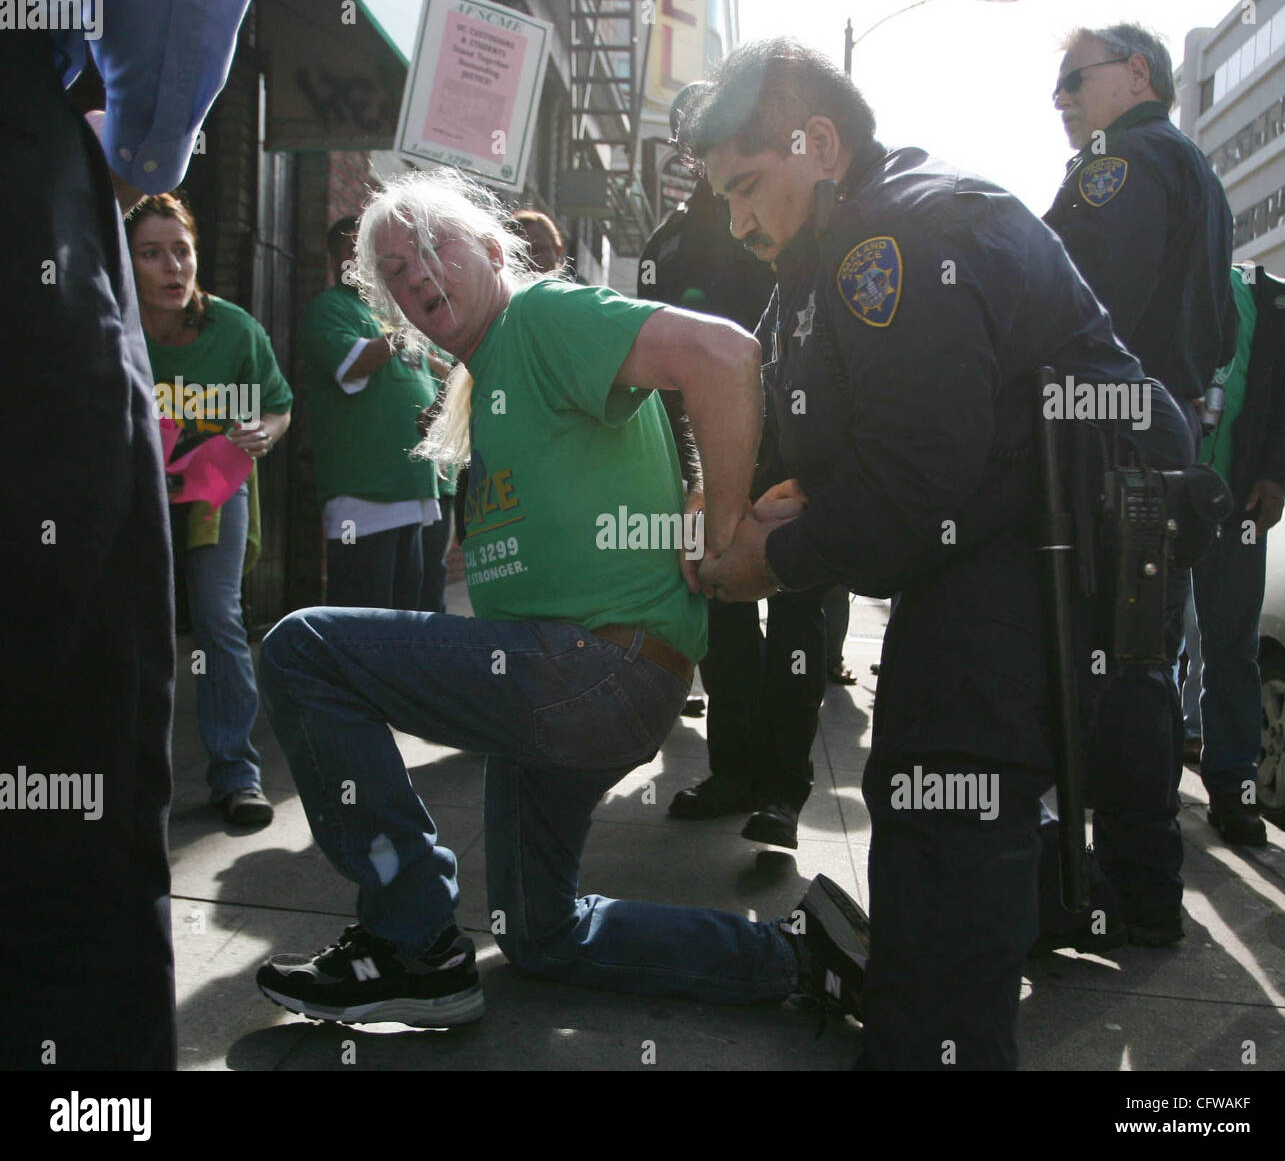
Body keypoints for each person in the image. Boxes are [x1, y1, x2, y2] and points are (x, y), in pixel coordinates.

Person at [253, 168, 870, 1029]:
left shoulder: (541, 315)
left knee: (301, 647)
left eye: (434, 243)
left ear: (493, 246)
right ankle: (799, 957)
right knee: (539, 933)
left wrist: (722, 526)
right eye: (392, 267)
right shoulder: (485, 374)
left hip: (592, 671)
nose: (416, 269)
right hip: (560, 686)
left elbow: (724, 354)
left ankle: (412, 943)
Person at [678, 37, 1190, 1070]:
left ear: (817, 143)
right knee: (930, 777)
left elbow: (917, 473)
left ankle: (940, 1032)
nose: (733, 221)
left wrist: (772, 561)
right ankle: (962, 971)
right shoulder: (828, 247)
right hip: (1003, 526)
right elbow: (806, 424)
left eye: (745, 188)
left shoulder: (892, 233)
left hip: (1058, 528)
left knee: (949, 773)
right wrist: (738, 504)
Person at [0, 0, 250, 1070]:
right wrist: (140, 149)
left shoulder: (228, 327)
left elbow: (261, 408)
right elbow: (167, 30)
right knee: (69, 734)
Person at [1041, 23, 1237, 945]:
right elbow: (1218, 333)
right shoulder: (1195, 169)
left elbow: (1069, 301)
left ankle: (1115, 886)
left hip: (1105, 451)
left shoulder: (1119, 161)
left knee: (1106, 674)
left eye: (1075, 80)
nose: (1064, 102)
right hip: (1169, 447)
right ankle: (1144, 889)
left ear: (1136, 73)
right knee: (1143, 670)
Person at [639, 86, 825, 848]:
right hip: (708, 463)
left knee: (799, 623)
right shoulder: (669, 244)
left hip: (794, 453)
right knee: (723, 620)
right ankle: (736, 772)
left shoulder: (787, 217)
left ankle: (782, 790)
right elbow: (651, 368)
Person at [126, 192, 293, 827]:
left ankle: (235, 774)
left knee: (219, 618)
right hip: (134, 490)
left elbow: (278, 405)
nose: (172, 267)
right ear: (127, 261)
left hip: (217, 489)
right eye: (151, 254)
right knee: (138, 623)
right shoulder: (113, 324)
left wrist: (263, 432)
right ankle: (135, 775)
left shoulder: (235, 330)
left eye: (181, 251)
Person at [1188, 262, 1285, 844]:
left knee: (1232, 649)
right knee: (1138, 650)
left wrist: (1277, 476)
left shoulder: (1277, 304)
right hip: (1158, 499)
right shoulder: (1157, 280)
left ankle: (1233, 790)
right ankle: (1136, 783)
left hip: (1239, 508)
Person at [303, 216, 456, 612]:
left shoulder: (395, 312)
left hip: (414, 488)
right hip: (363, 495)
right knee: (362, 616)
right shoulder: (331, 307)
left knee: (406, 619)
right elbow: (350, 365)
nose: (363, 260)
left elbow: (446, 370)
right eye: (352, 252)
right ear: (335, 261)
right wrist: (409, 330)